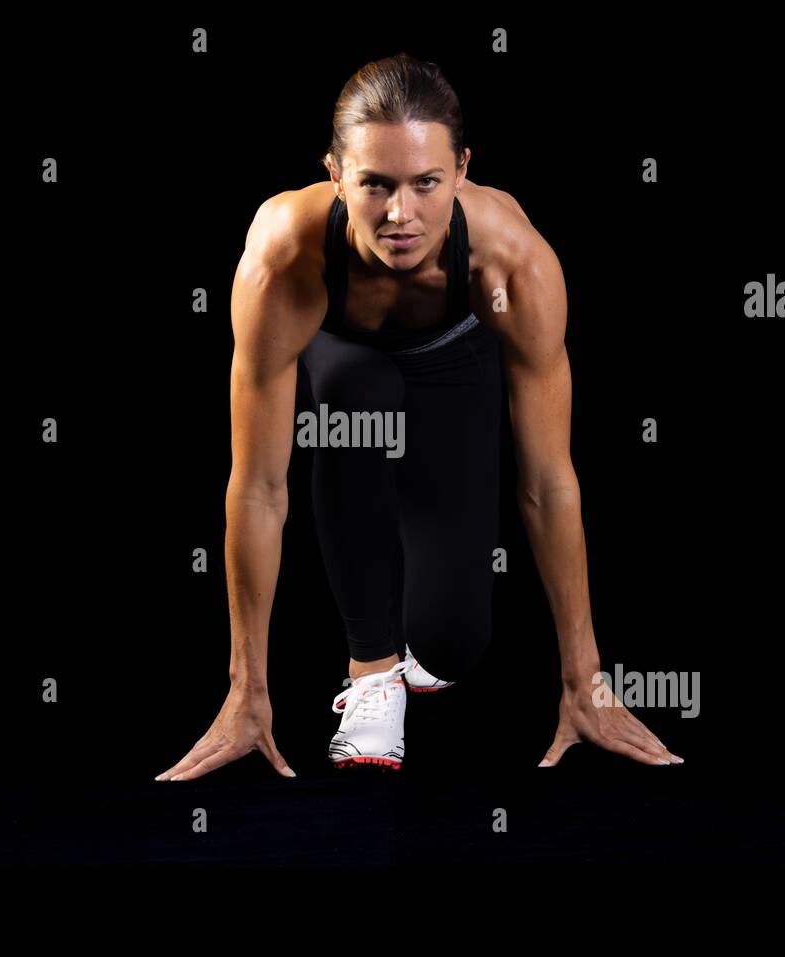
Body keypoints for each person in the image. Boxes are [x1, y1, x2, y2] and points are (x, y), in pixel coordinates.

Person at [155, 52, 683, 782]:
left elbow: (548, 482)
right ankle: (371, 671)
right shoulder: (283, 256)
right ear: (335, 174)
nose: (400, 215)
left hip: (451, 362)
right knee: (358, 393)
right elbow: (258, 487)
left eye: (426, 183)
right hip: (346, 365)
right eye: (374, 184)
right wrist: (247, 688)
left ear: (462, 170)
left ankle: (417, 638)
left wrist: (584, 681)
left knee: (453, 642)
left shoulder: (513, 263)